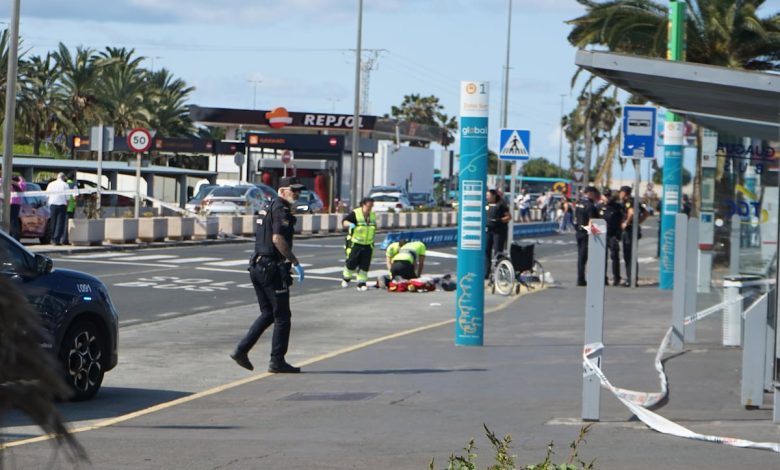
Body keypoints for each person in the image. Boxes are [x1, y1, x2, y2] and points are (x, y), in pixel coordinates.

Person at [231, 176, 306, 374]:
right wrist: (295, 262)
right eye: (293, 190)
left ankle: (241, 350)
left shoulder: (268, 206)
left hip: (257, 265)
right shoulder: (280, 209)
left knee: (268, 313)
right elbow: (277, 238)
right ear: (282, 191)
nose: (297, 194)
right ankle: (277, 361)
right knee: (282, 316)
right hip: (270, 267)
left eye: (299, 190)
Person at [341, 197, 376, 291]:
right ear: (363, 205)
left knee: (365, 265)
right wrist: (350, 224)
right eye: (368, 206)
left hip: (368, 244)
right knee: (352, 262)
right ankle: (346, 278)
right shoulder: (356, 213)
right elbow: (344, 222)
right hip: (356, 243)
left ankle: (361, 283)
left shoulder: (372, 215)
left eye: (371, 206)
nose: (370, 208)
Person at [619, 185, 648, 286]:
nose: (620, 194)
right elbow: (646, 213)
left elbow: (631, 212)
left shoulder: (628, 202)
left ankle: (630, 279)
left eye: (621, 192)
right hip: (634, 229)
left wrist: (626, 223)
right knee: (632, 256)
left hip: (629, 231)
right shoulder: (636, 201)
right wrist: (638, 222)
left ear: (624, 193)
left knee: (629, 256)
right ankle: (632, 279)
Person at [574, 186, 601, 286]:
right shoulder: (590, 206)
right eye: (594, 194)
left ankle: (580, 278)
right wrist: (592, 234)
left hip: (579, 232)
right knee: (585, 257)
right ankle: (582, 279)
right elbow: (592, 221)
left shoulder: (579, 204)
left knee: (580, 257)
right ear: (590, 193)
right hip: (586, 233)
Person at [484, 189, 510, 278]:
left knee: (497, 251)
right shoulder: (486, 204)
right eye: (486, 196)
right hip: (488, 230)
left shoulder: (501, 204)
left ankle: (499, 272)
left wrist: (499, 220)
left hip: (499, 231)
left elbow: (508, 217)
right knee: (486, 250)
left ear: (494, 196)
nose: (487, 197)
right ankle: (486, 272)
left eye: (488, 196)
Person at [601, 189, 625, 286]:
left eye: (608, 195)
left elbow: (621, 219)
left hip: (613, 235)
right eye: (605, 195)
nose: (607, 197)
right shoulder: (599, 207)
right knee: (602, 258)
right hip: (602, 235)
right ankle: (603, 278)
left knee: (615, 257)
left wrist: (619, 233)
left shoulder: (617, 207)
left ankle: (616, 277)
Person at [46, 172, 70, 245]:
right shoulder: (65, 185)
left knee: (53, 221)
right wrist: (67, 205)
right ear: (63, 178)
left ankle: (52, 238)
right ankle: (56, 239)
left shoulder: (51, 184)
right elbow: (68, 197)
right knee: (60, 223)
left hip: (52, 204)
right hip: (62, 204)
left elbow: (47, 195)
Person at [9, 176, 26, 240]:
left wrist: (14, 182)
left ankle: (14, 237)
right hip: (10, 204)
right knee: (11, 221)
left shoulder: (19, 183)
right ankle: (11, 236)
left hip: (14, 204)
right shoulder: (5, 180)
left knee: (13, 221)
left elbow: (23, 187)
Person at [63, 175, 78, 245]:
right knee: (68, 224)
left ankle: (61, 239)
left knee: (62, 223)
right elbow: (75, 196)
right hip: (70, 207)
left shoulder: (64, 184)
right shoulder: (73, 185)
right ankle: (66, 239)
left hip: (63, 206)